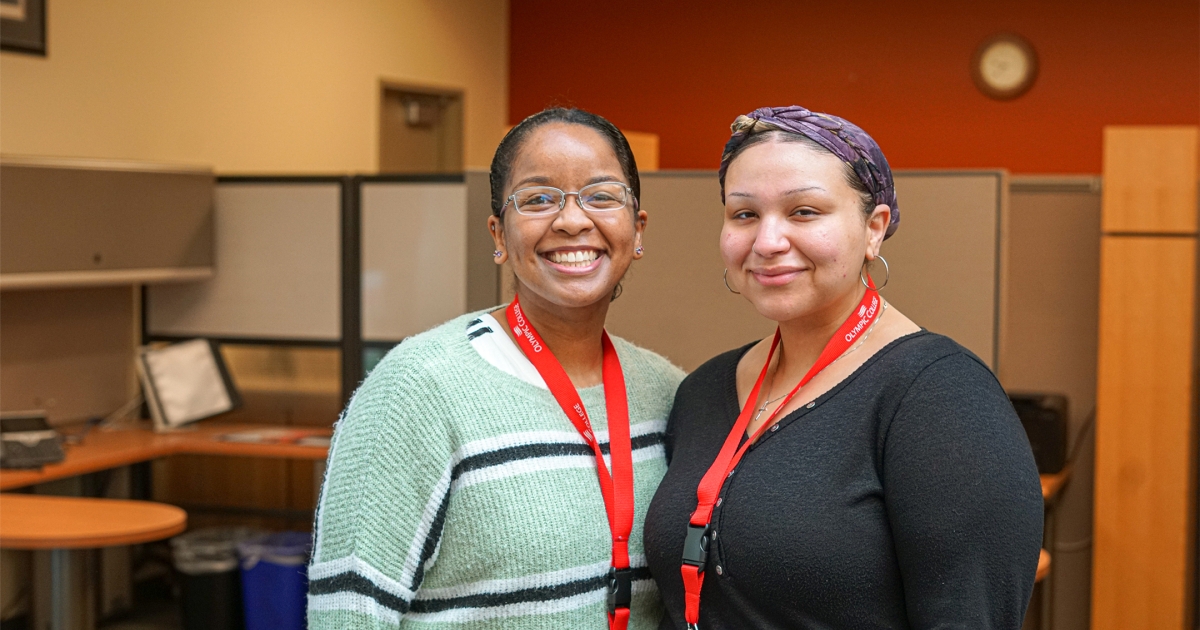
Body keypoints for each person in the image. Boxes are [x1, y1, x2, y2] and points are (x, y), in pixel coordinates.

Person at [643, 106, 1043, 629]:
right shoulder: (704, 389)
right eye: (744, 215)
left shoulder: (938, 396)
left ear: (874, 228)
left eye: (804, 211)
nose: (767, 242)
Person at [309, 108, 685, 629]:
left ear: (636, 229)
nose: (573, 220)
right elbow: (348, 614)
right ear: (498, 235)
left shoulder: (668, 393)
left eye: (601, 196)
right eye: (537, 199)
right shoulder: (418, 388)